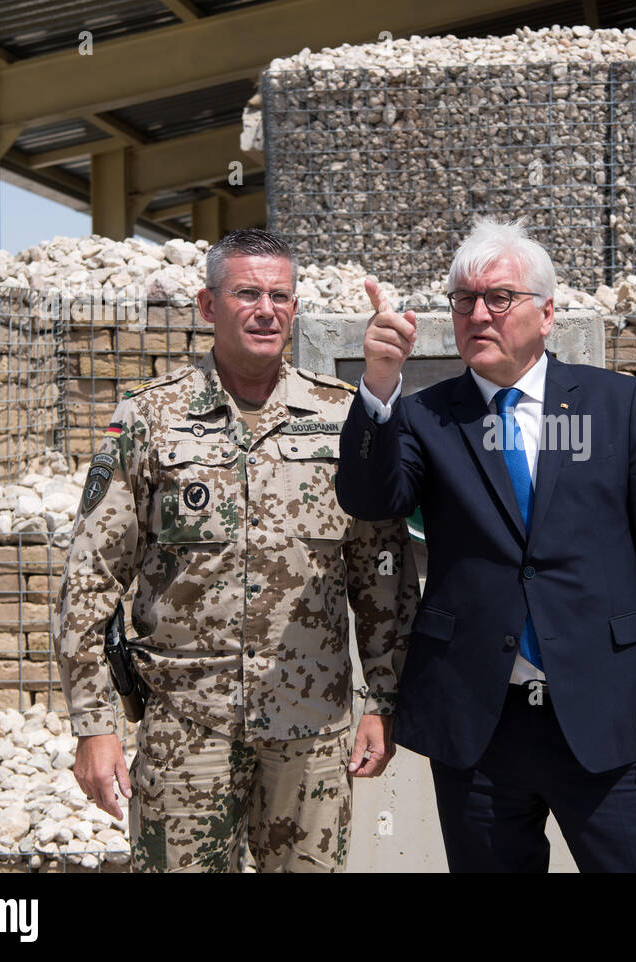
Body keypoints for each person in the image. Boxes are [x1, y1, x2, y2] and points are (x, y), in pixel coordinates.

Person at [335, 217, 636, 872]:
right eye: (463, 300)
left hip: (606, 716)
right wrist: (381, 385)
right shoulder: (426, 415)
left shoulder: (615, 405)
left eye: (498, 298)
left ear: (547, 312)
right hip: (478, 721)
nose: (478, 314)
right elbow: (370, 499)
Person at [54, 228, 419, 872]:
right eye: (246, 293)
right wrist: (94, 725)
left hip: (311, 731)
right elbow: (92, 577)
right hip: (185, 729)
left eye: (280, 296)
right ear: (206, 306)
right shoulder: (149, 419)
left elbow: (380, 578)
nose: (266, 309)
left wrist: (384, 703)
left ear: (296, 309)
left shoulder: (339, 422)